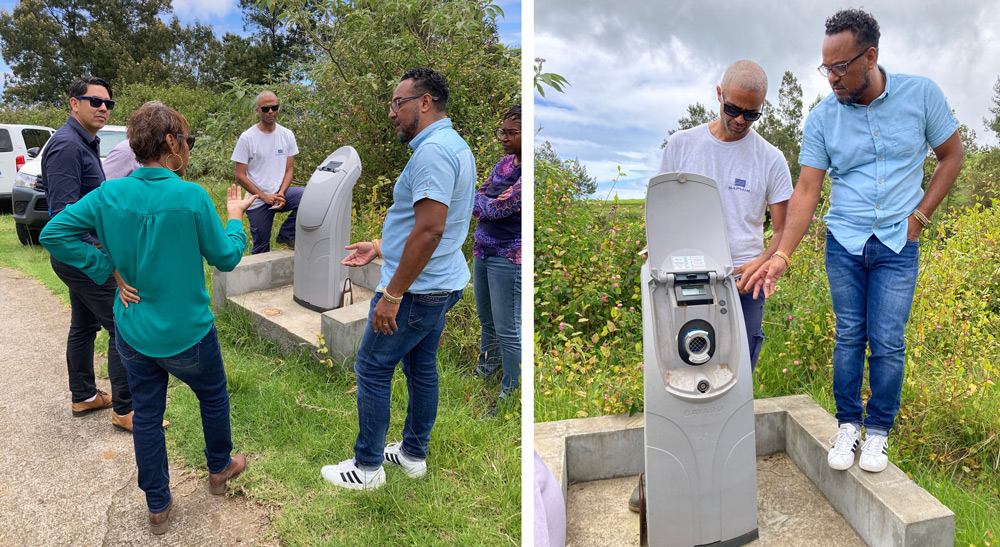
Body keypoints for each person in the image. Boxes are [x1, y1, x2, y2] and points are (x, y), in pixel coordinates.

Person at [747, 9, 963, 473]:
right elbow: (807, 188)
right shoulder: (822, 117)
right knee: (849, 336)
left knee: (887, 340)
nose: (832, 79)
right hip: (844, 241)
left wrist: (921, 216)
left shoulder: (921, 94)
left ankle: (878, 432)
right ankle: (848, 424)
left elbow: (952, 155)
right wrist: (782, 251)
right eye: (825, 68)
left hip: (897, 244)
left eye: (841, 67)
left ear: (870, 56)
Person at [40, 101, 258, 534]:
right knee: (212, 397)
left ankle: (157, 505)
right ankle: (219, 469)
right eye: (188, 140)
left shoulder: (108, 194)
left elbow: (53, 233)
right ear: (171, 143)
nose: (189, 149)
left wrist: (107, 267)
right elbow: (226, 257)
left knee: (146, 414)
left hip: (133, 331)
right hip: (190, 333)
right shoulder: (191, 196)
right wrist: (235, 219)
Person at [628, 60, 792, 512]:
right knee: (668, 383)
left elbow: (783, 231)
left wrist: (764, 262)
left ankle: (724, 483)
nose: (740, 121)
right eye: (733, 109)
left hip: (742, 285)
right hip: (679, 285)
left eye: (752, 115)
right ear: (718, 94)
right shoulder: (683, 145)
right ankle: (655, 480)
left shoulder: (770, 159)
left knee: (732, 391)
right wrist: (655, 247)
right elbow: (660, 206)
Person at [320, 67, 475, 490]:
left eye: (397, 103)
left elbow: (430, 230)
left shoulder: (432, 153)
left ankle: (367, 468)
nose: (392, 112)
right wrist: (380, 246)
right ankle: (412, 454)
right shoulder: (454, 146)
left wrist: (392, 293)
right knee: (421, 367)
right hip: (442, 283)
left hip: (416, 291)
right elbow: (425, 224)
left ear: (424, 103)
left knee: (371, 367)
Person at [40, 75, 136, 431]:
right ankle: (126, 410)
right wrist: (104, 262)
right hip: (82, 257)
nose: (102, 108)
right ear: (73, 103)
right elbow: (63, 217)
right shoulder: (68, 146)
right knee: (121, 324)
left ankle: (83, 395)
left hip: (80, 255)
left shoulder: (85, 142)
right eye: (94, 101)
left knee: (83, 325)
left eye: (108, 103)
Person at [473, 103, 522, 414]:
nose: (503, 137)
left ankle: (511, 391)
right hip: (482, 250)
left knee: (508, 328)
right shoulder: (504, 164)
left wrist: (486, 200)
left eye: (511, 132)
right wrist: (485, 199)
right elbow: (479, 198)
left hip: (508, 257)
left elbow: (496, 208)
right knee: (486, 319)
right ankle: (486, 371)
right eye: (501, 131)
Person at [232, 90, 302, 254]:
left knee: (306, 197)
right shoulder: (247, 138)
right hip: (257, 199)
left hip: (279, 193)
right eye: (265, 109)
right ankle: (257, 278)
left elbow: (289, 169)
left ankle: (287, 234)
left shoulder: (287, 135)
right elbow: (240, 175)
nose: (271, 111)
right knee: (261, 248)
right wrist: (264, 197)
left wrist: (282, 193)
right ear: (257, 111)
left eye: (274, 107)